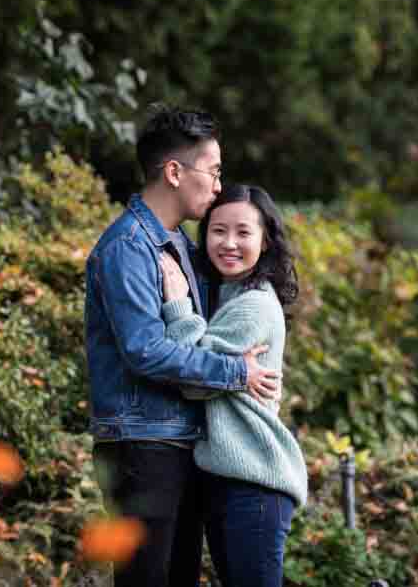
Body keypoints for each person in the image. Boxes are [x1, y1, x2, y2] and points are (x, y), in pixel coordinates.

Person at [85, 105, 280, 587]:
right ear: (174, 172)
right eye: (212, 172)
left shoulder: (176, 244)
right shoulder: (129, 247)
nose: (218, 187)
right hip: (142, 446)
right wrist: (236, 372)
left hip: (176, 444)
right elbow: (145, 349)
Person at [159, 183, 307, 587]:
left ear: (265, 240)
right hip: (228, 481)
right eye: (218, 230)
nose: (229, 242)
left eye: (244, 232)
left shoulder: (254, 304)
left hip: (255, 483)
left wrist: (177, 305)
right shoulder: (226, 293)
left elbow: (192, 379)